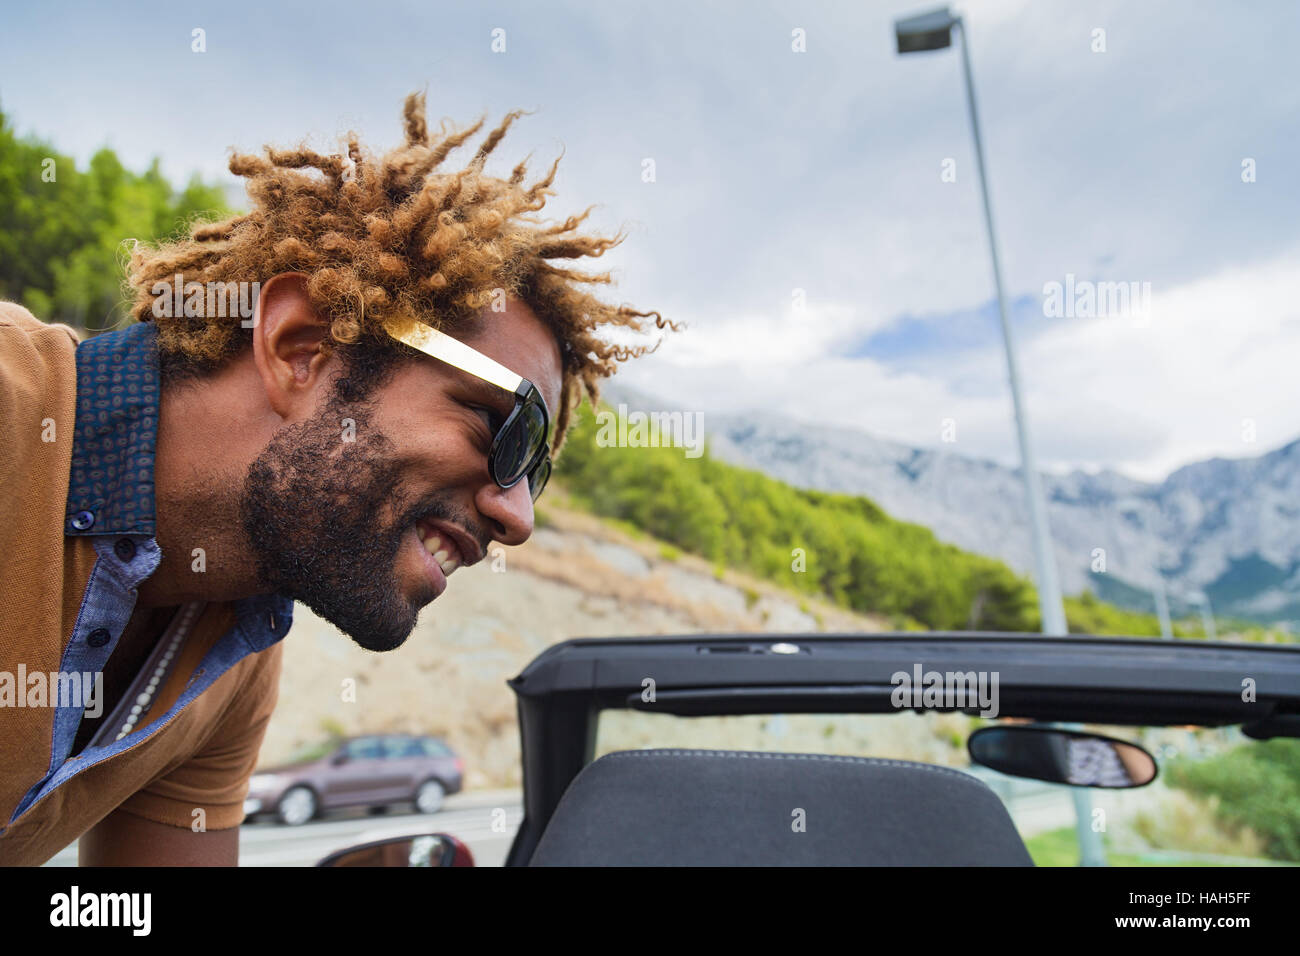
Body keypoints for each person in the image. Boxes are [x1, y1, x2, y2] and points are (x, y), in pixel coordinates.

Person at [0, 92, 674, 865]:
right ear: (301, 347)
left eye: (539, 473)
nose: (518, 517)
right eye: (507, 431)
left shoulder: (235, 650)